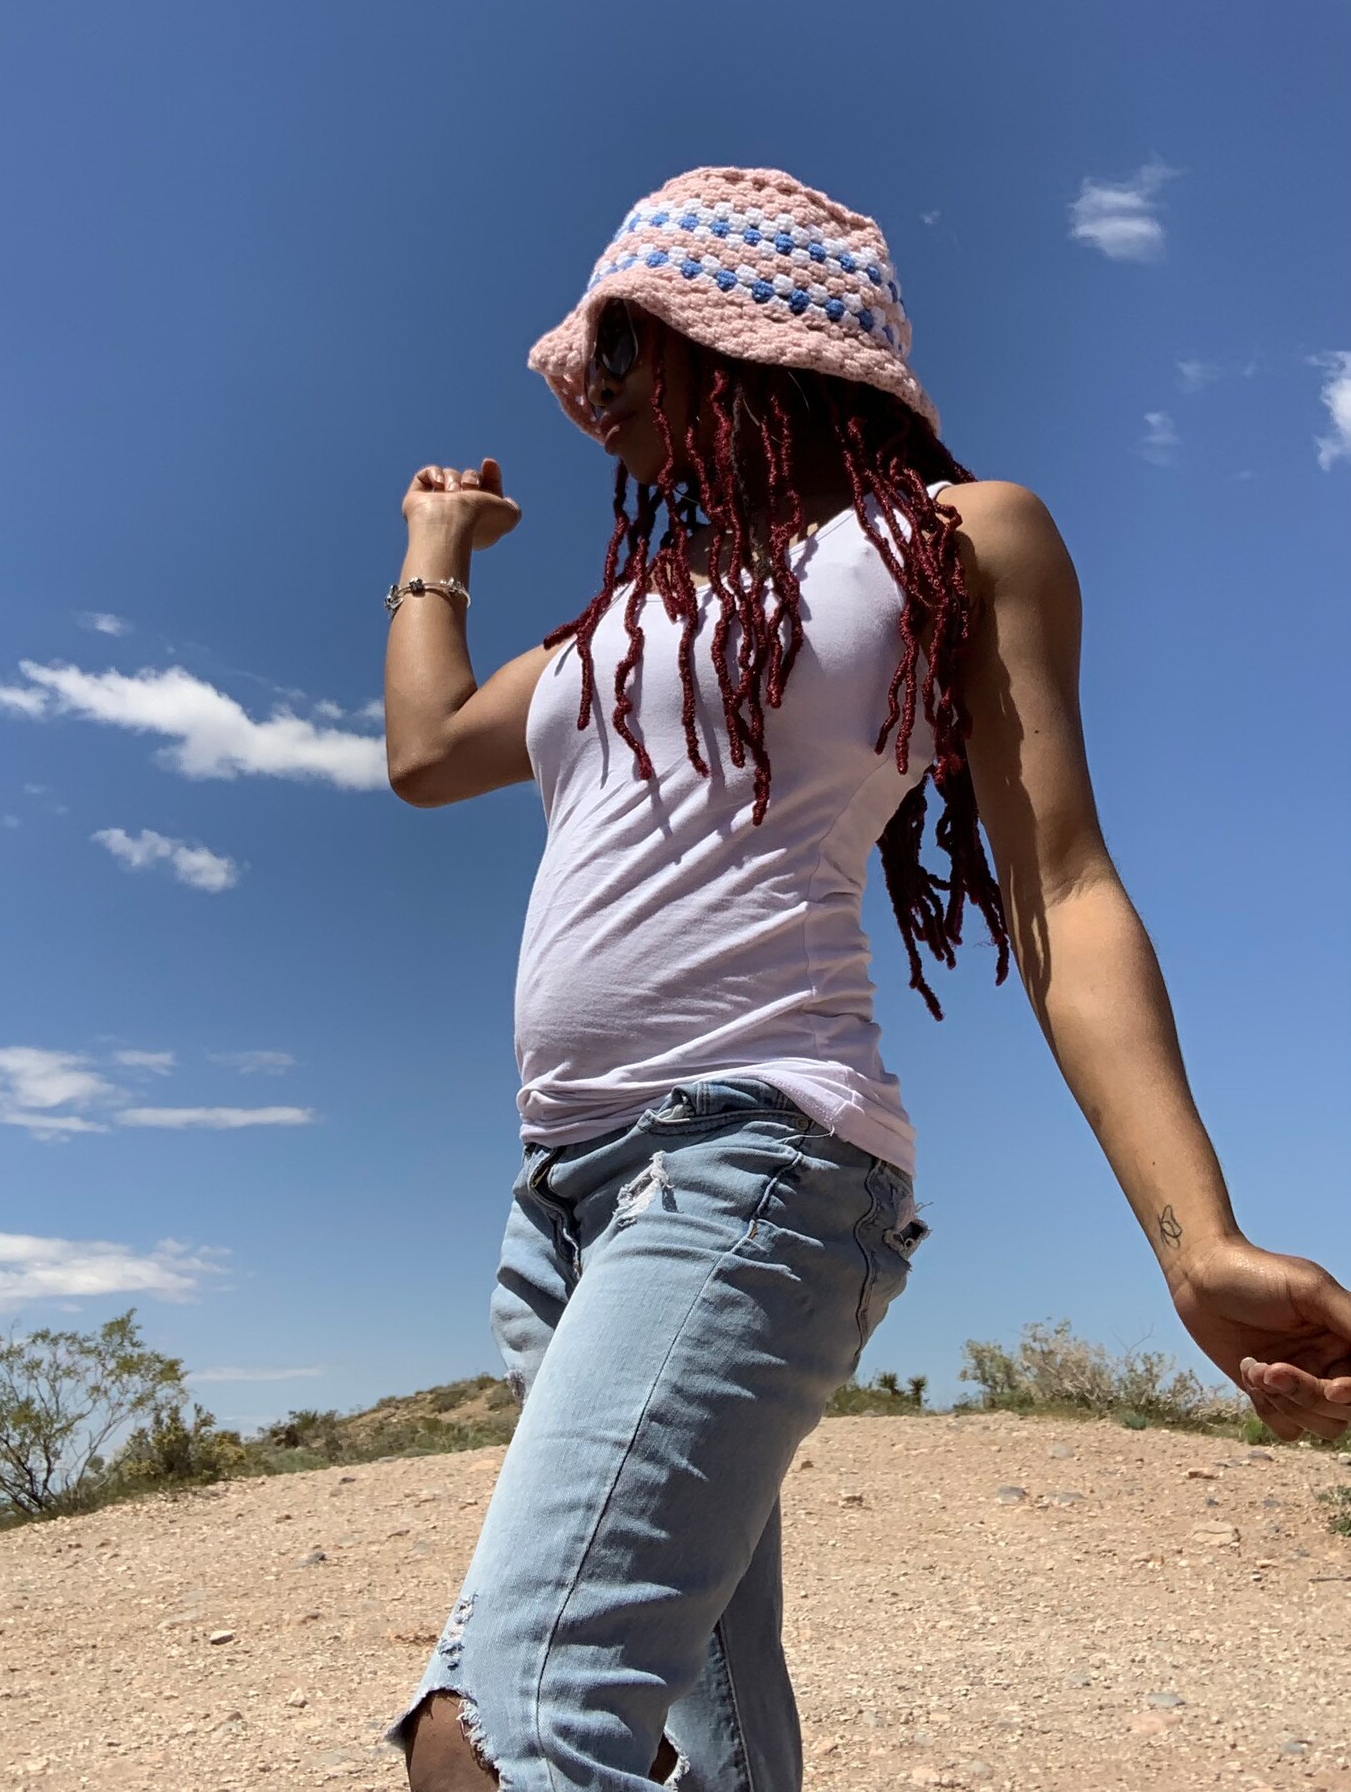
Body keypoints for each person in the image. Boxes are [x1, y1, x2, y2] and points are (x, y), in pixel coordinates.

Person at [380, 167, 1351, 1792]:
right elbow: (423, 751)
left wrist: (1197, 1240)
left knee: (492, 1731)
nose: (595, 401)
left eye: (622, 354)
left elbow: (1064, 885)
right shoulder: (614, 625)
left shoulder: (953, 542)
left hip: (748, 1160)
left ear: (736, 333)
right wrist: (435, 543)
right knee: (706, 1709)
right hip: (559, 1204)